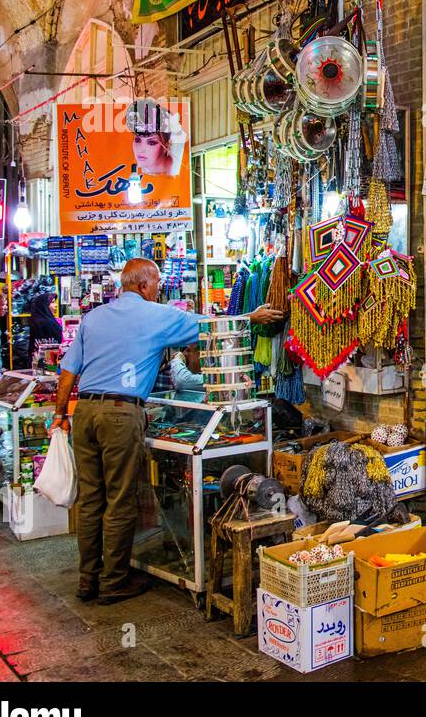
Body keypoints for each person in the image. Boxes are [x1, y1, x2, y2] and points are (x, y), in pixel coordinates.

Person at [53, 258, 283, 605]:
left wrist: (60, 414)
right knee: (119, 500)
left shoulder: (94, 317)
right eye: (157, 282)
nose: (159, 287)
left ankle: (88, 580)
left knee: (90, 500)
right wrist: (252, 317)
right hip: (120, 414)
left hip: (84, 411)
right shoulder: (156, 315)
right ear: (145, 285)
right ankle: (113, 581)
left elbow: (68, 371)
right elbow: (208, 326)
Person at [27, 292, 63, 367]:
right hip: (50, 362)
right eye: (52, 302)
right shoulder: (49, 323)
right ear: (44, 306)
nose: (56, 305)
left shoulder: (34, 321)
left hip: (35, 362)